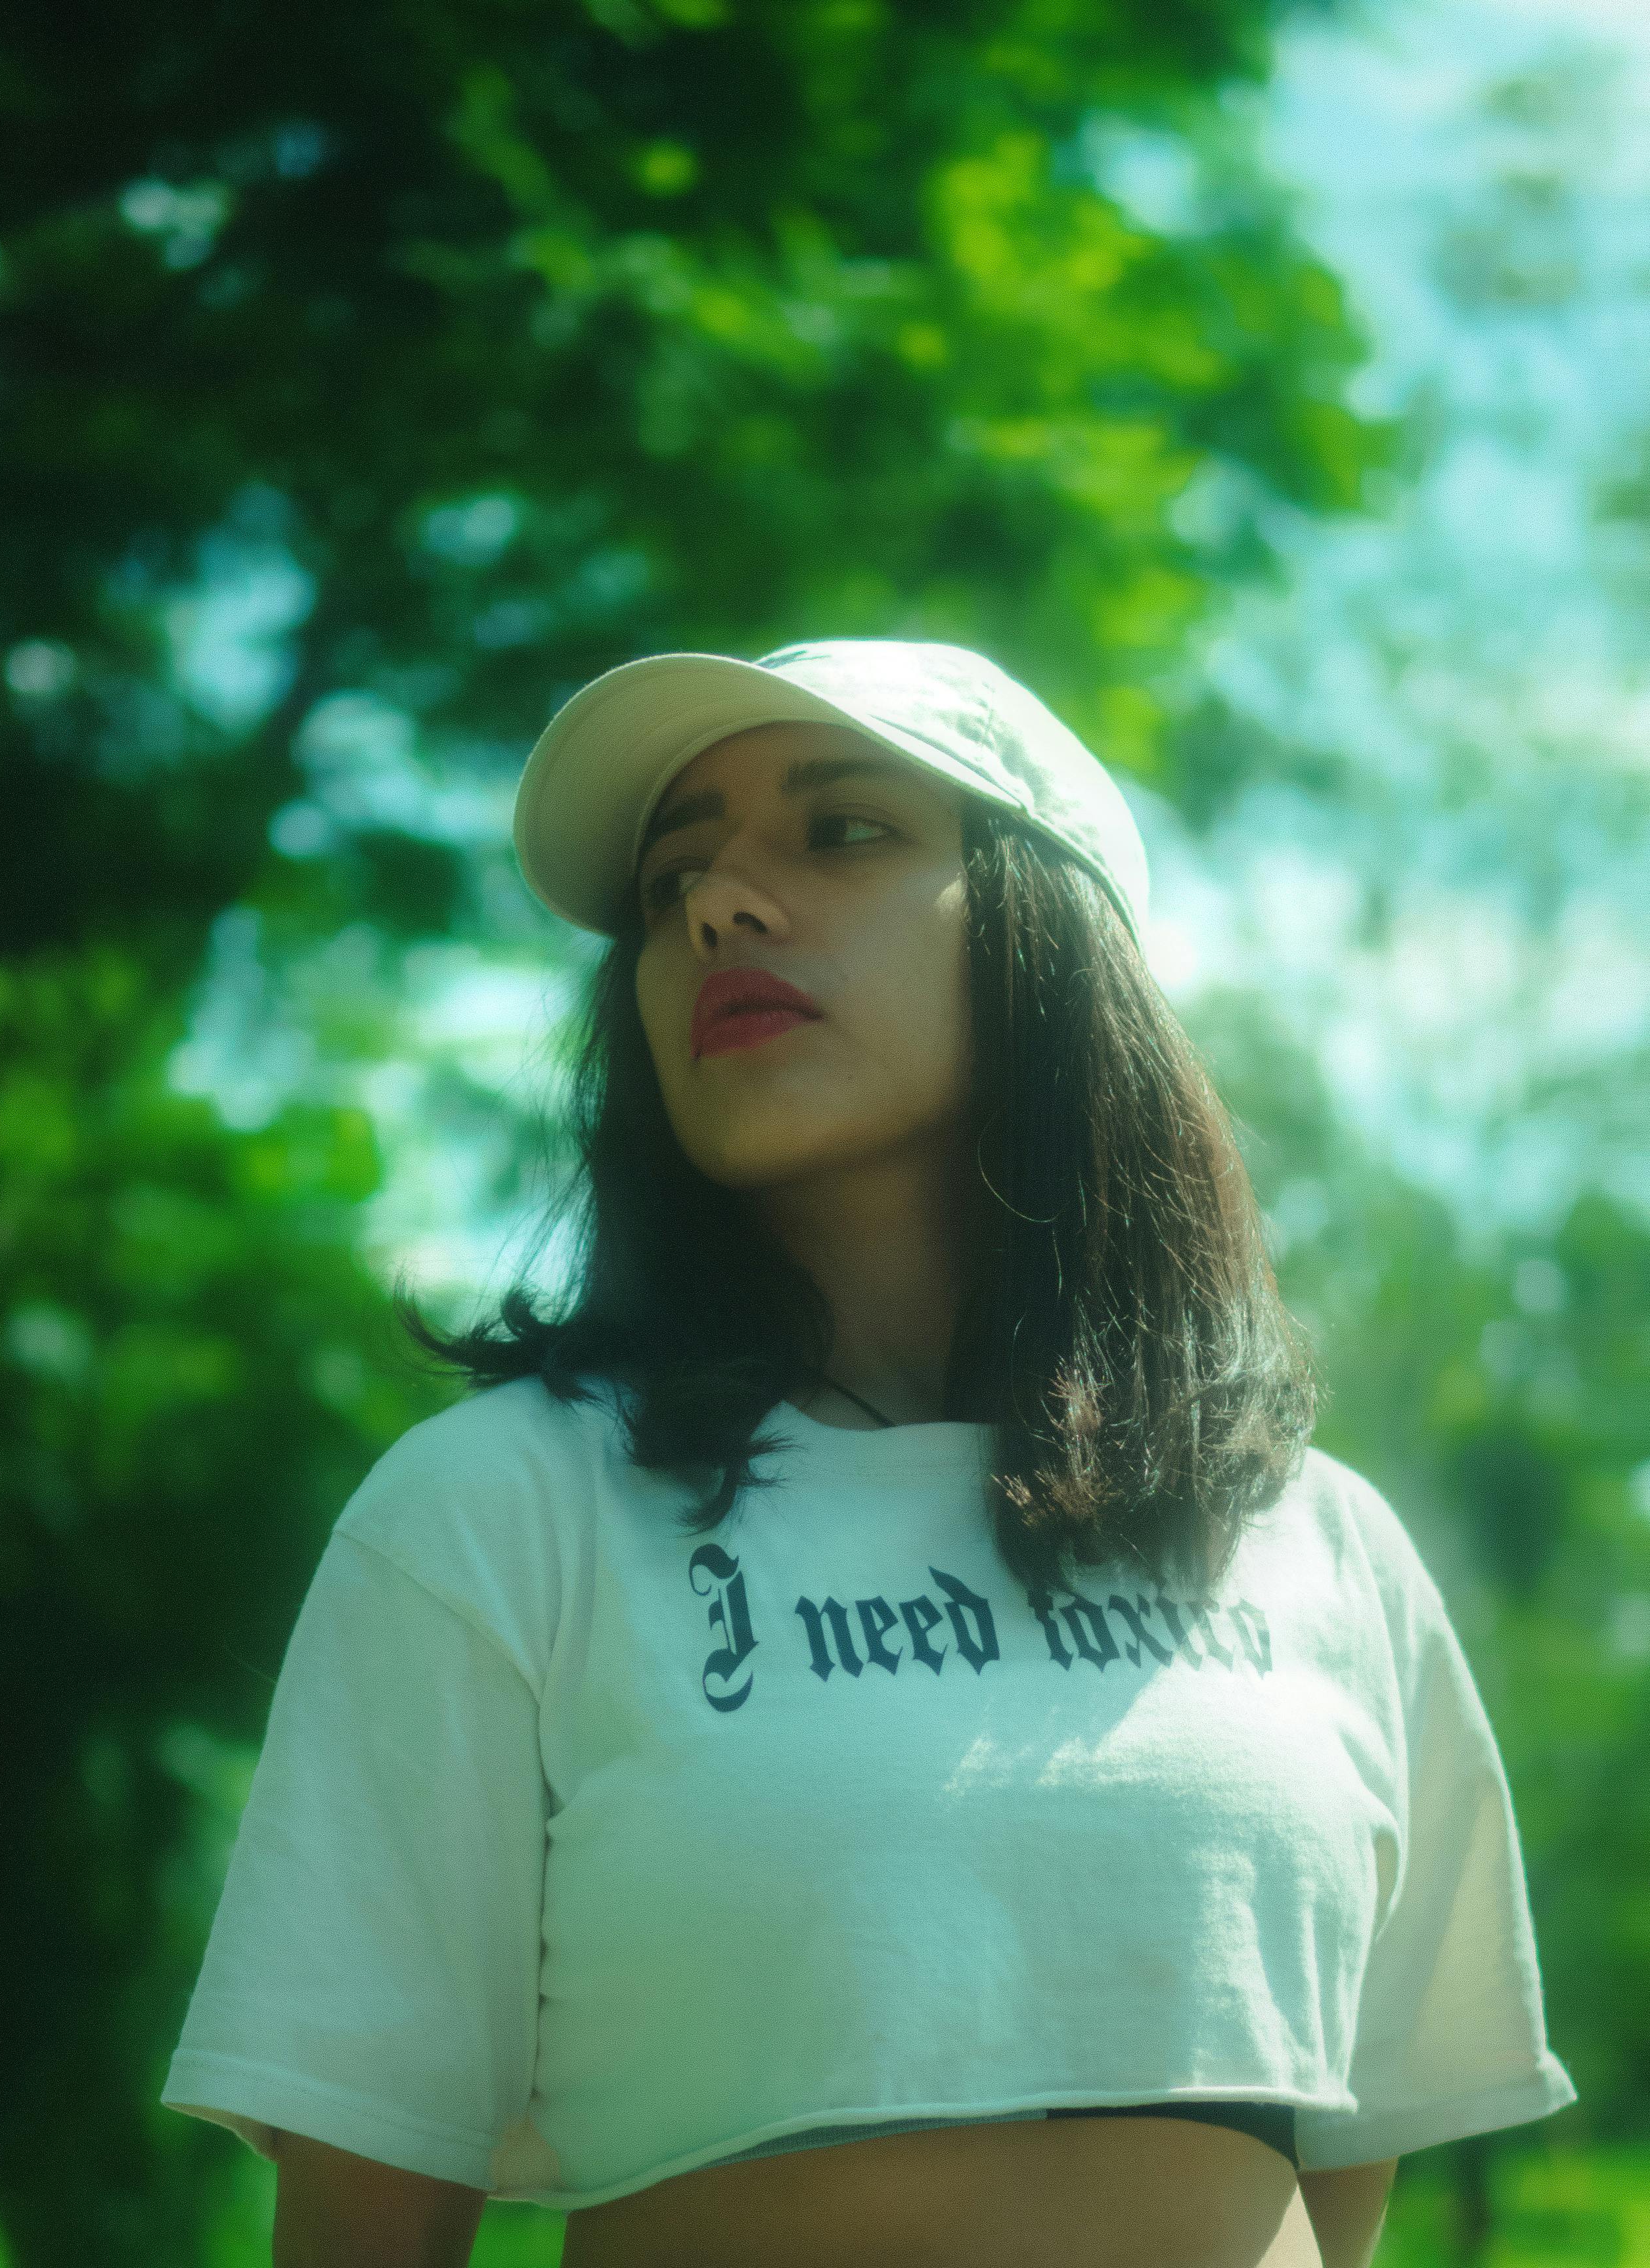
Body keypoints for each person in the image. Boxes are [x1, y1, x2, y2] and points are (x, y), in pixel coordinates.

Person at [163, 641, 1574, 2268]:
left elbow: (1343, 2166)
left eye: (841, 830)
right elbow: (367, 2224)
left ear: (1050, 941)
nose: (718, 906)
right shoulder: (497, 1516)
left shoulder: (1316, 1539)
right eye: (673, 879)